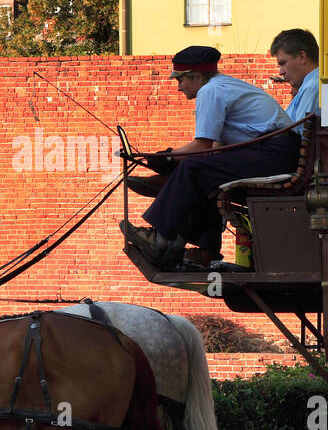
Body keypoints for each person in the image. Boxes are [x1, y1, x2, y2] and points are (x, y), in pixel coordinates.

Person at [121, 46, 300, 270]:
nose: (178, 88)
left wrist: (167, 157)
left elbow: (202, 146)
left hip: (273, 154)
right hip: (275, 152)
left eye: (181, 80)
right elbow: (215, 150)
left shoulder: (210, 91)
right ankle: (204, 251)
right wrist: (171, 159)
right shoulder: (224, 85)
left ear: (196, 76)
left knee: (193, 169)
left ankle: (162, 238)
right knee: (202, 172)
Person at [270, 28, 321, 123]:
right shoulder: (311, 86)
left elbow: (296, 133)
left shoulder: (313, 88)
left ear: (302, 57)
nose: (281, 72)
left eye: (283, 63)